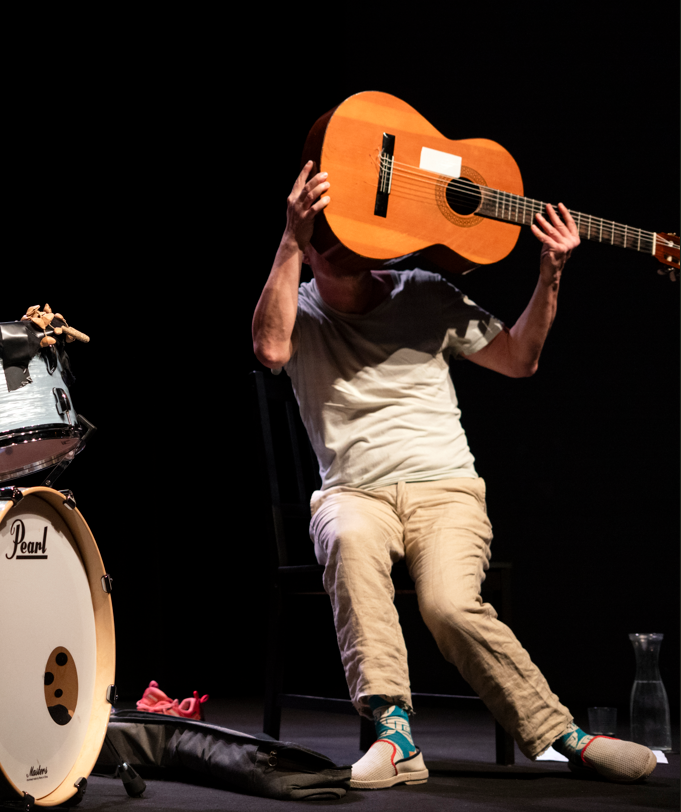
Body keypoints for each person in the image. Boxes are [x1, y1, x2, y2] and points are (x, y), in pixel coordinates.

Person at [251, 160, 657, 788]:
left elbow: (520, 360)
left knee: (448, 604)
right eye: (328, 248)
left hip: (446, 491)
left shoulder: (425, 292)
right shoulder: (299, 309)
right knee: (350, 540)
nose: (349, 260)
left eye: (358, 247)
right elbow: (271, 350)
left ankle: (563, 736)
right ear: (311, 255)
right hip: (353, 493)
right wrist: (288, 239)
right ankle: (396, 735)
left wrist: (549, 275)